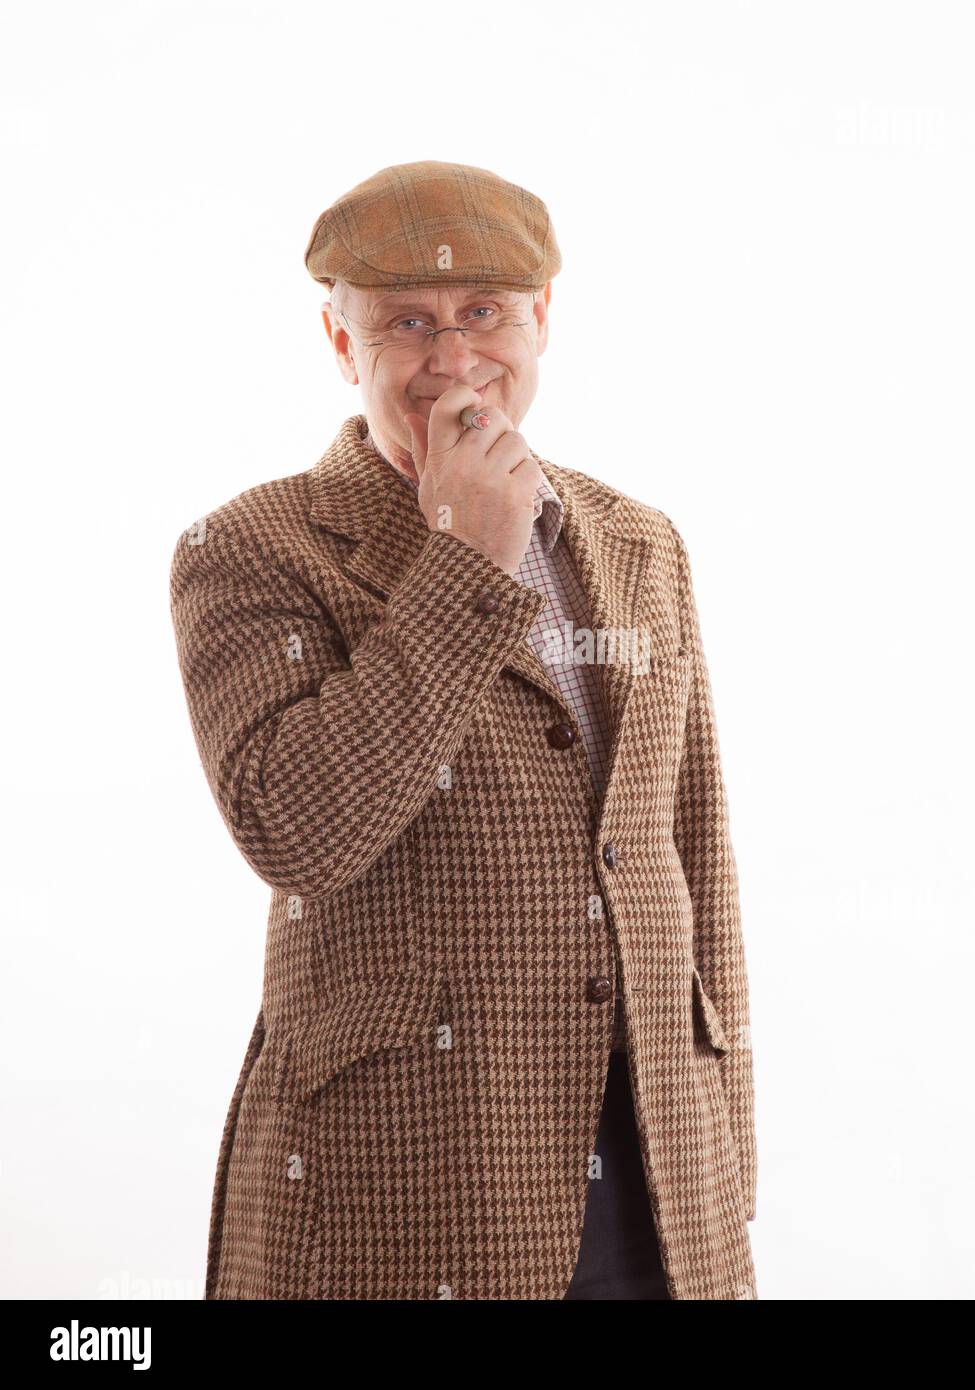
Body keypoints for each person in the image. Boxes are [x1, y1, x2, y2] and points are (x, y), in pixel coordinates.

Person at [169, 160, 756, 1300]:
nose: (451, 358)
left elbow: (692, 854)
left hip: (655, 1172)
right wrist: (460, 564)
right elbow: (295, 830)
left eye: (483, 312)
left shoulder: (642, 543)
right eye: (405, 324)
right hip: (405, 1177)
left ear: (543, 321)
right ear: (342, 344)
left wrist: (722, 1157)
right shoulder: (249, 549)